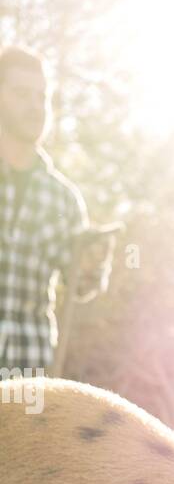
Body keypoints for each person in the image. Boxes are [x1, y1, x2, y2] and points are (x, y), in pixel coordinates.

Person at [0, 45, 104, 375]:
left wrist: (92, 263)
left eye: (40, 97)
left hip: (29, 376)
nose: (34, 107)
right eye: (21, 94)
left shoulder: (64, 199)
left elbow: (82, 286)